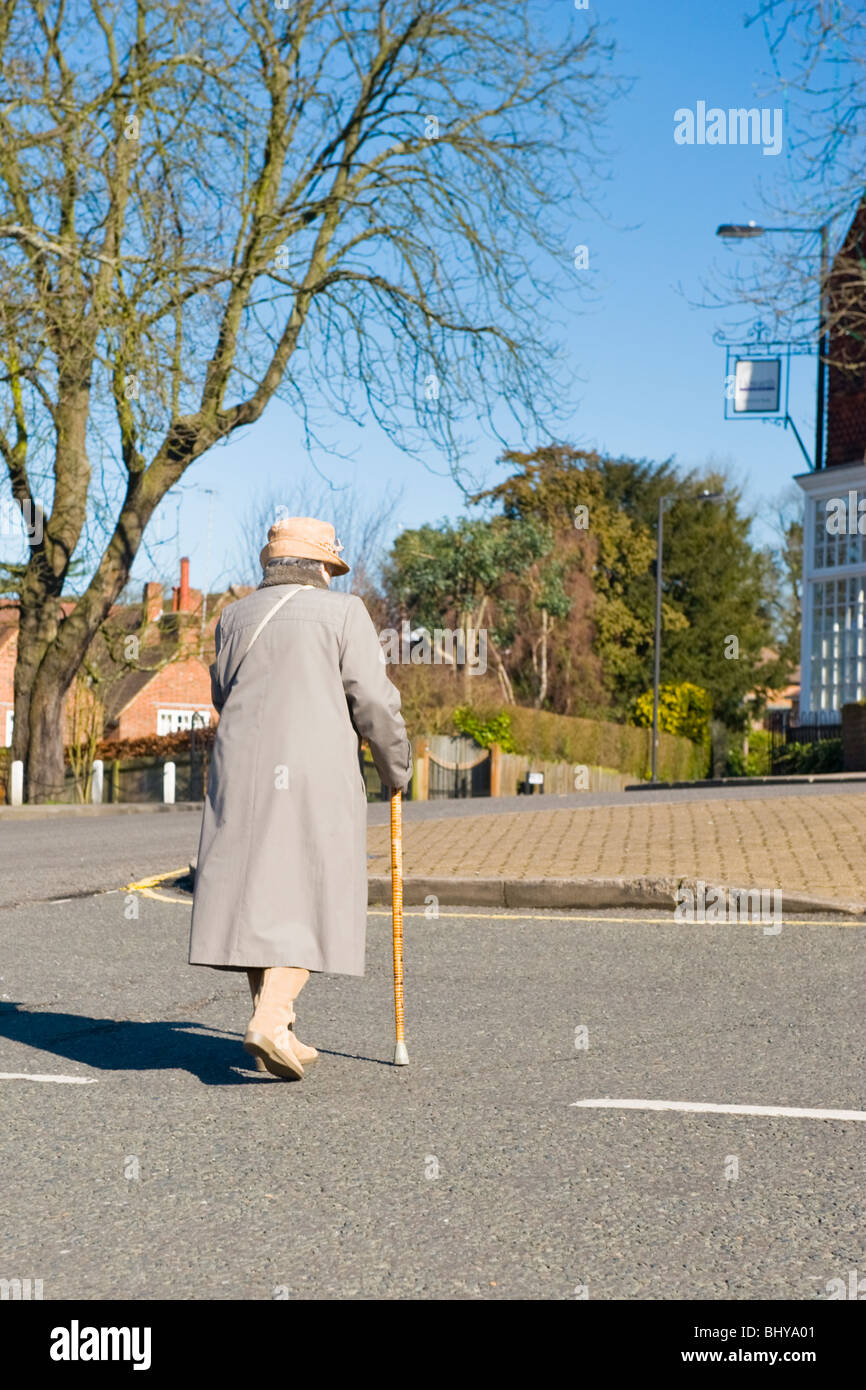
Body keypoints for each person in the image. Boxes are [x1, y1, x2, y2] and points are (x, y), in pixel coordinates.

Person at [189, 516, 412, 1080]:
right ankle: (272, 1015)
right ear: (321, 567)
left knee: (255, 895)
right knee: (313, 892)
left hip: (239, 769)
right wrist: (396, 766)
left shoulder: (234, 616)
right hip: (313, 775)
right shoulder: (344, 613)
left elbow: (222, 692)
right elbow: (374, 704)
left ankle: (278, 1026)